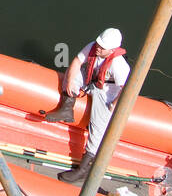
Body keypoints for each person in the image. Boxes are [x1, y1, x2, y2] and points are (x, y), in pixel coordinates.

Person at [46, 28, 130, 184]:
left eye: (102, 47)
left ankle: (84, 169)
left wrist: (114, 104)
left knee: (97, 126)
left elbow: (126, 88)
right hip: (91, 81)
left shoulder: (119, 65)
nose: (98, 48)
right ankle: (66, 109)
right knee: (72, 74)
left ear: (112, 50)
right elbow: (78, 61)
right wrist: (70, 81)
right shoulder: (93, 47)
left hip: (105, 93)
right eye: (98, 44)